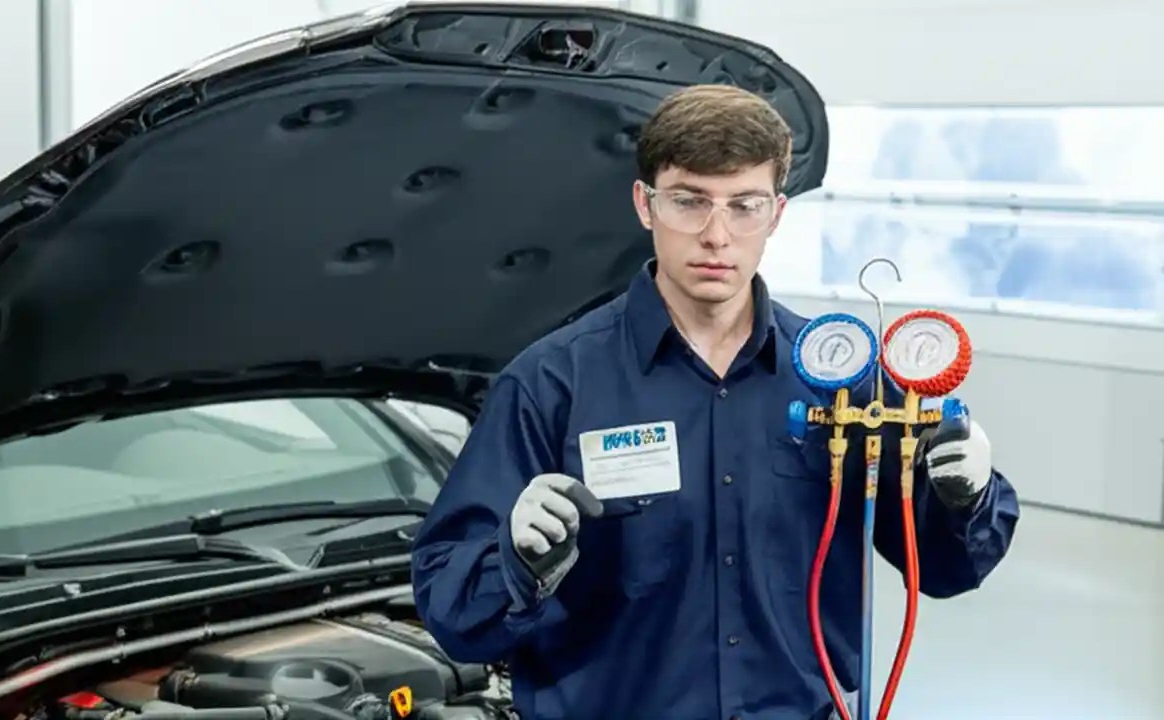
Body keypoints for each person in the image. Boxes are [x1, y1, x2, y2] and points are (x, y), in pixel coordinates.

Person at [410, 84, 1020, 720]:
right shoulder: (550, 384)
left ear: (776, 213)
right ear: (645, 204)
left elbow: (947, 569)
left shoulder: (845, 384)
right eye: (689, 202)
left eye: (744, 205)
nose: (717, 235)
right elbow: (454, 612)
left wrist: (967, 498)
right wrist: (517, 561)